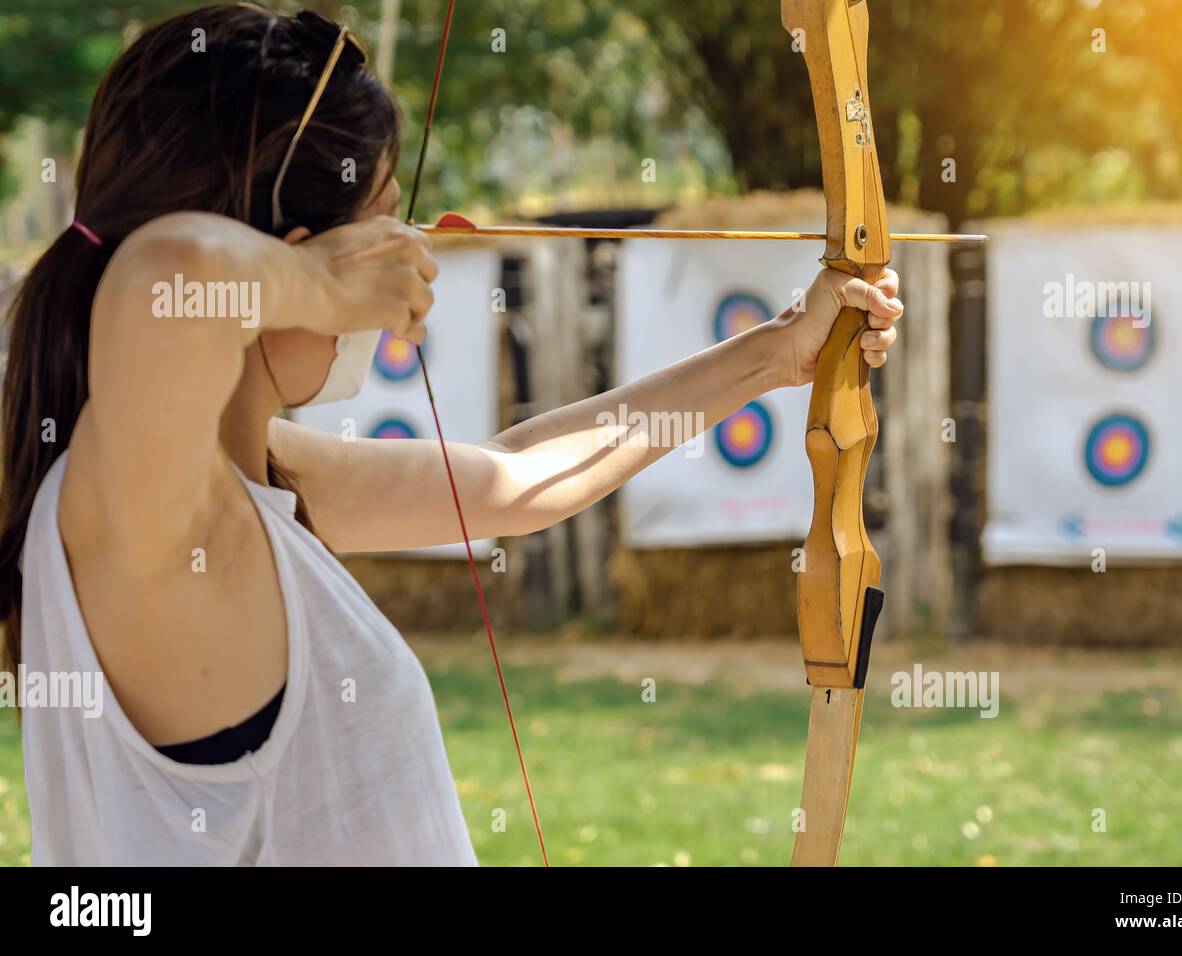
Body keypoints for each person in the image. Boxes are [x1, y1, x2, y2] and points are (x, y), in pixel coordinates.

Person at [0, 5, 903, 865]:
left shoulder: (249, 494)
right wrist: (324, 287)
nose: (410, 251)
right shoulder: (153, 526)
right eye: (384, 223)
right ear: (298, 247)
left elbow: (512, 482)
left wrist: (780, 352)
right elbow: (163, 278)